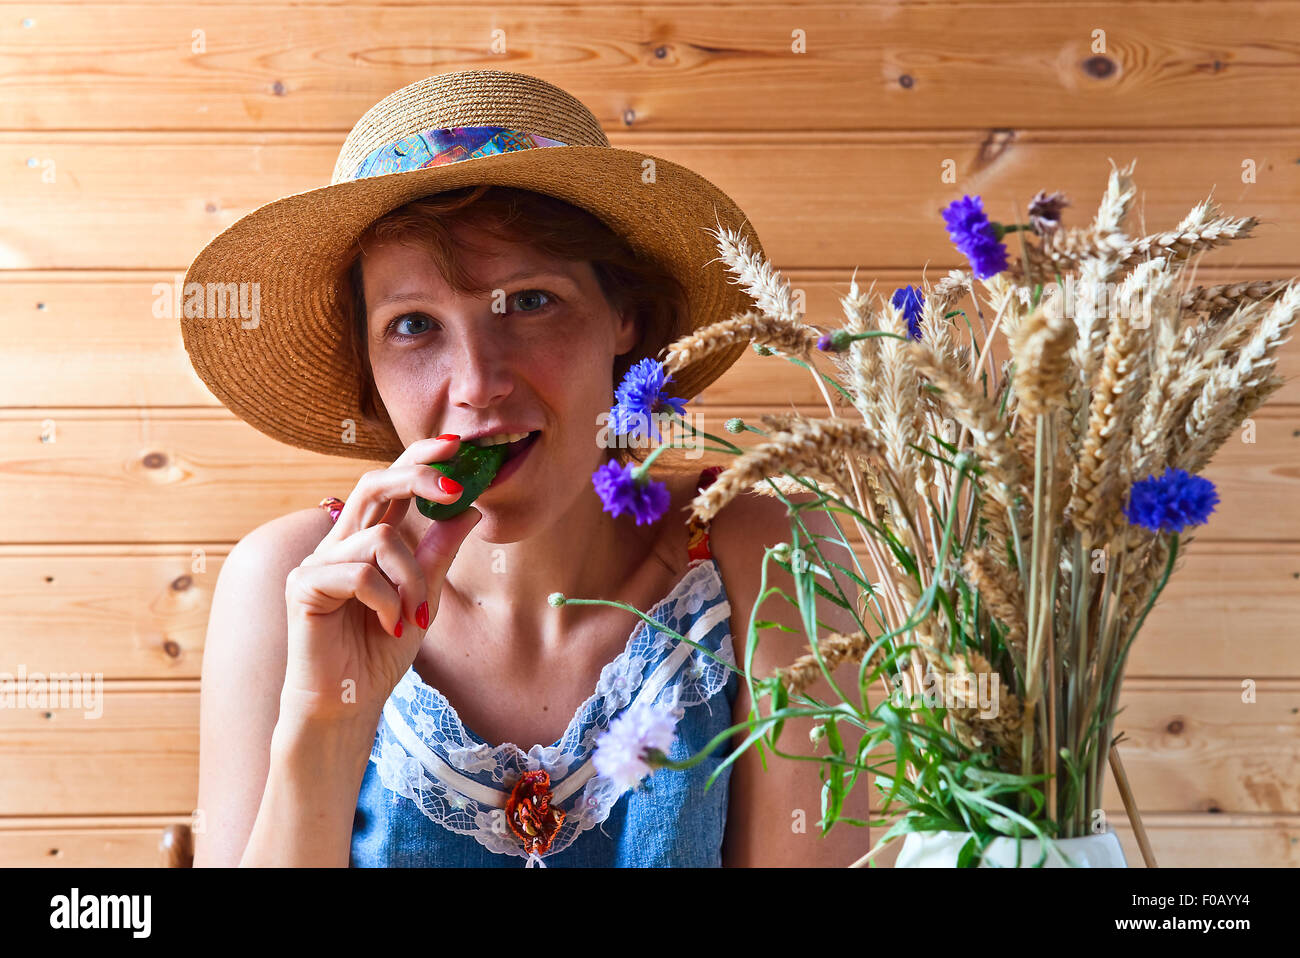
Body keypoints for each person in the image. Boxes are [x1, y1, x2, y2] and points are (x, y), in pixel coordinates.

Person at [182, 69, 864, 867]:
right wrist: (326, 721)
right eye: (412, 325)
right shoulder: (286, 585)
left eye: (531, 302)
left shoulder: (768, 552)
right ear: (366, 367)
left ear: (624, 317)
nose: (477, 383)